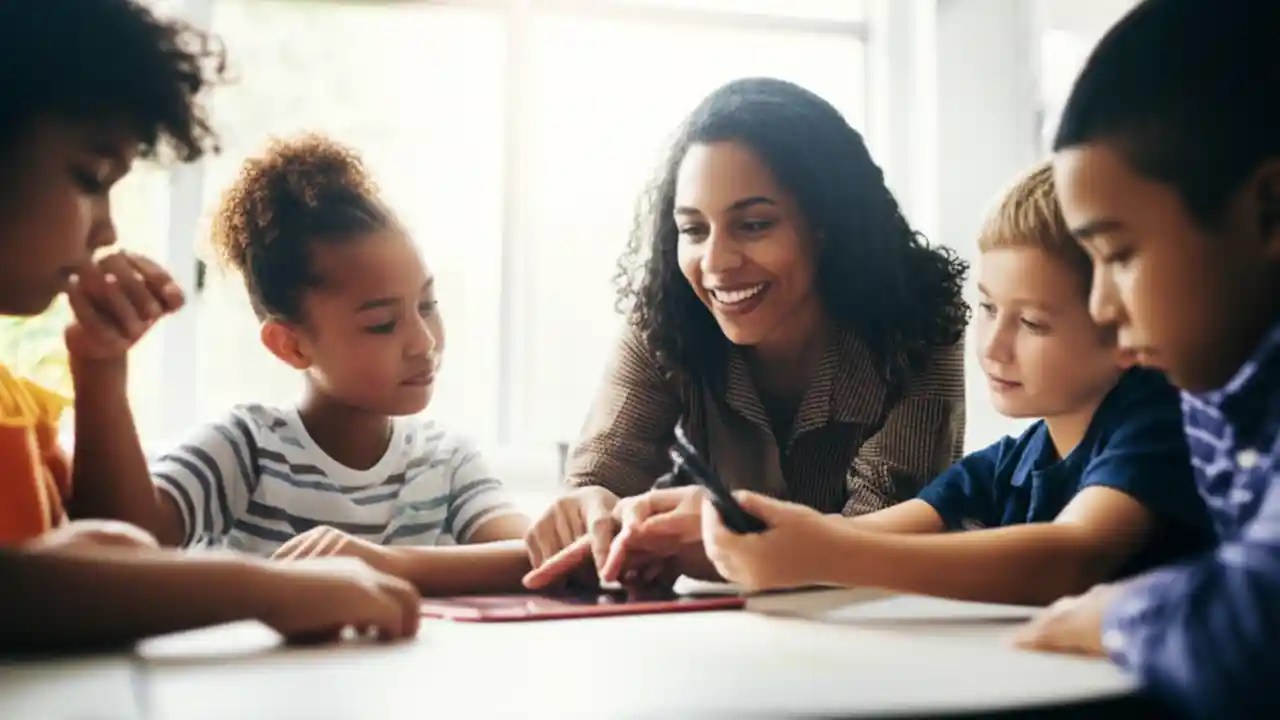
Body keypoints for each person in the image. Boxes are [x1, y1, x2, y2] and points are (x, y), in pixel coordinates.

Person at [0, 0, 419, 649]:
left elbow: (87, 574)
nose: (108, 228)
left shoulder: (20, 415)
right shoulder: (245, 443)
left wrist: (101, 364)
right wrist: (260, 588)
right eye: (89, 178)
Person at [613, 162, 1209, 606]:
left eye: (1031, 322)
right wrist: (718, 539)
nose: (993, 346)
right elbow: (855, 539)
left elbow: (1074, 559)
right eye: (987, 309)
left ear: (1122, 318)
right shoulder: (1010, 464)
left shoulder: (1160, 420)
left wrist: (818, 550)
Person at [525, 77, 970, 587]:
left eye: (754, 225)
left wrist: (723, 532)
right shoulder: (668, 315)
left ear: (828, 224)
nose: (715, 263)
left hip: (873, 627)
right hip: (716, 629)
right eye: (693, 230)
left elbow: (874, 545)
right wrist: (588, 505)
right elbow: (603, 473)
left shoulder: (917, 325)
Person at [75, 134, 532, 596]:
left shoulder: (447, 461)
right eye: (382, 323)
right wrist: (102, 370)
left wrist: (382, 563)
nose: (424, 341)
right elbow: (121, 546)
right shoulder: (245, 450)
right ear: (290, 346)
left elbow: (538, 559)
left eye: (428, 304)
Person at [1010, 1, 1280, 717]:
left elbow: (1259, 623)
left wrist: (1117, 615)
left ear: (1269, 211)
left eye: (1119, 255)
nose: (1101, 305)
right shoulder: (1214, 389)